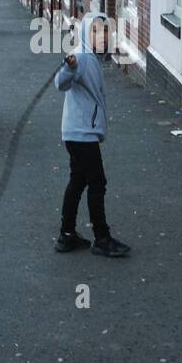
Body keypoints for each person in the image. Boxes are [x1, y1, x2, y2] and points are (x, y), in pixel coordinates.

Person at [54, 13, 130, 257]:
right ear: (86, 32)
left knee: (78, 180)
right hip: (81, 134)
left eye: (105, 31)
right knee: (97, 182)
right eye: (96, 31)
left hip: (77, 132)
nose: (102, 36)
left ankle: (66, 236)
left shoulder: (90, 58)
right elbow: (61, 82)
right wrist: (69, 67)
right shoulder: (83, 57)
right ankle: (101, 238)